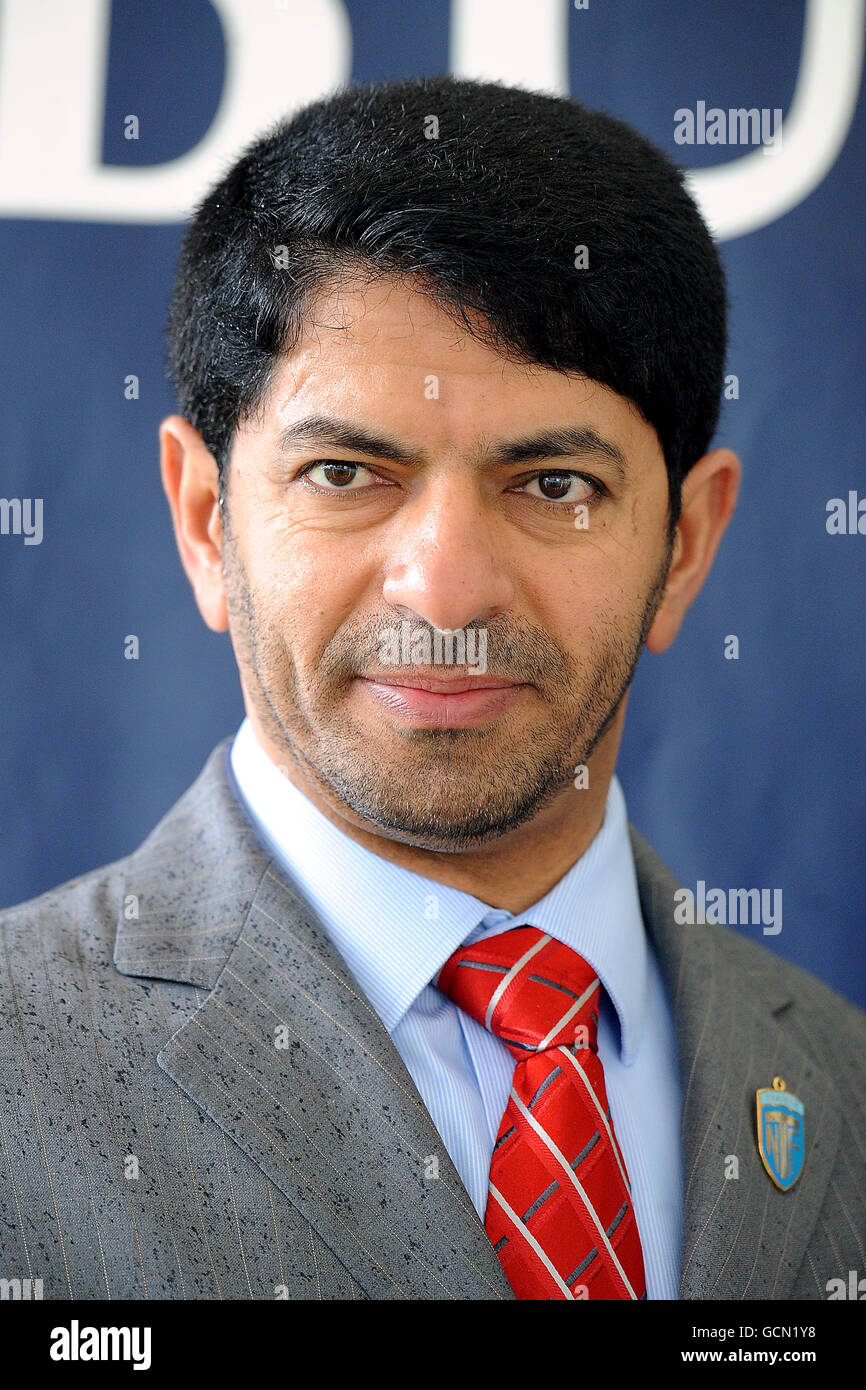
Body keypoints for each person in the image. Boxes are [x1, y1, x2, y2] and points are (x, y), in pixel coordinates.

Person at [1, 75, 863, 1302]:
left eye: (553, 484)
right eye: (346, 472)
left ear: (683, 545)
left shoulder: (843, 1081)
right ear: (205, 521)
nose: (446, 594)